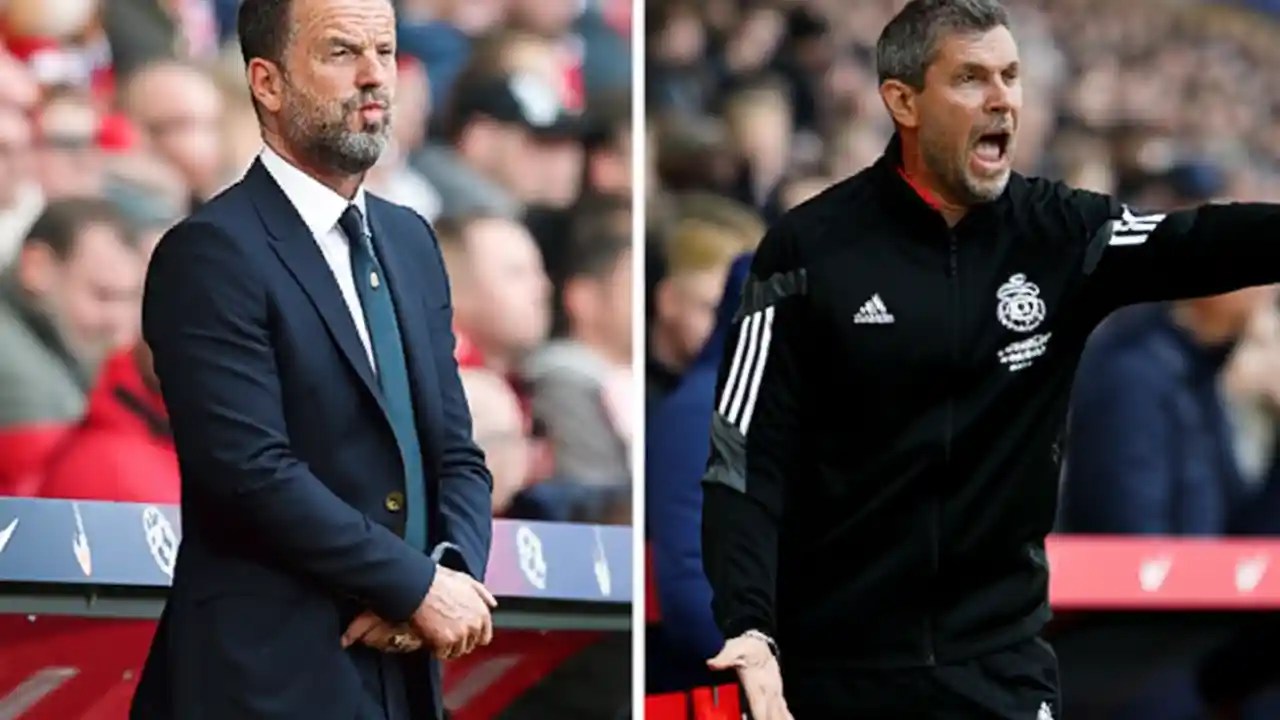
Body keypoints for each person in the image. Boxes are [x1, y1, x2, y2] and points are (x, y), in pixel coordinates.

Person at [699, 1, 1280, 718]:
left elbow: (1199, 242)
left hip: (1001, 669)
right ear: (903, 100)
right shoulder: (808, 251)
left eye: (1011, 75)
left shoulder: (1062, 234)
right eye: (971, 78)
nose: (1003, 97)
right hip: (840, 671)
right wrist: (750, 626)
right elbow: (746, 460)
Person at [130, 0, 497, 718]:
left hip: (405, 678)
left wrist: (445, 579)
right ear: (266, 83)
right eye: (340, 53)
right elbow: (249, 471)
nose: (374, 78)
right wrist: (412, 588)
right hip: (265, 681)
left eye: (386, 53)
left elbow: (455, 453)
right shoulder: (211, 252)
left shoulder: (412, 242)